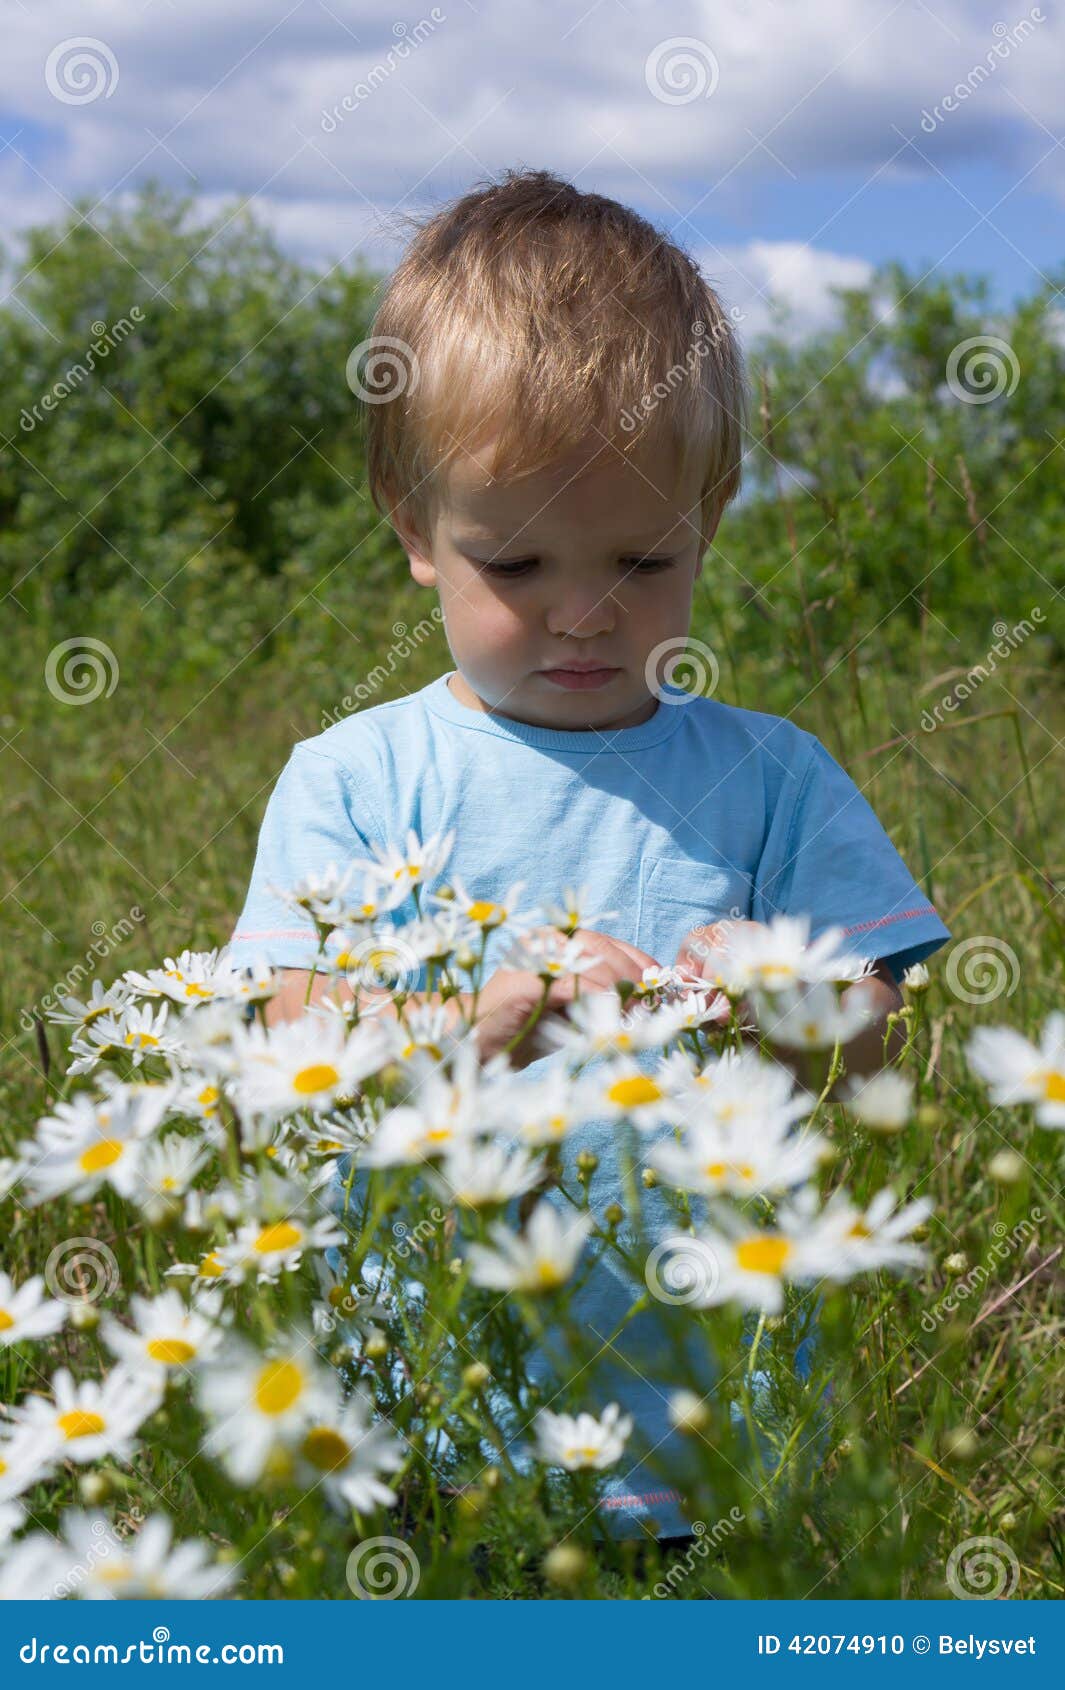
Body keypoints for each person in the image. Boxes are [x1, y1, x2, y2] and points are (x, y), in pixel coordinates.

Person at [225, 167, 950, 1545]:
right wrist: (478, 1020)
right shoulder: (353, 776)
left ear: (711, 518)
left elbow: (871, 1052)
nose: (582, 614)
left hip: (711, 1428)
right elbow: (287, 1040)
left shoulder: (769, 774)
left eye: (639, 558)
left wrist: (797, 995)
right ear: (412, 530)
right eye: (516, 564)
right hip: (417, 1429)